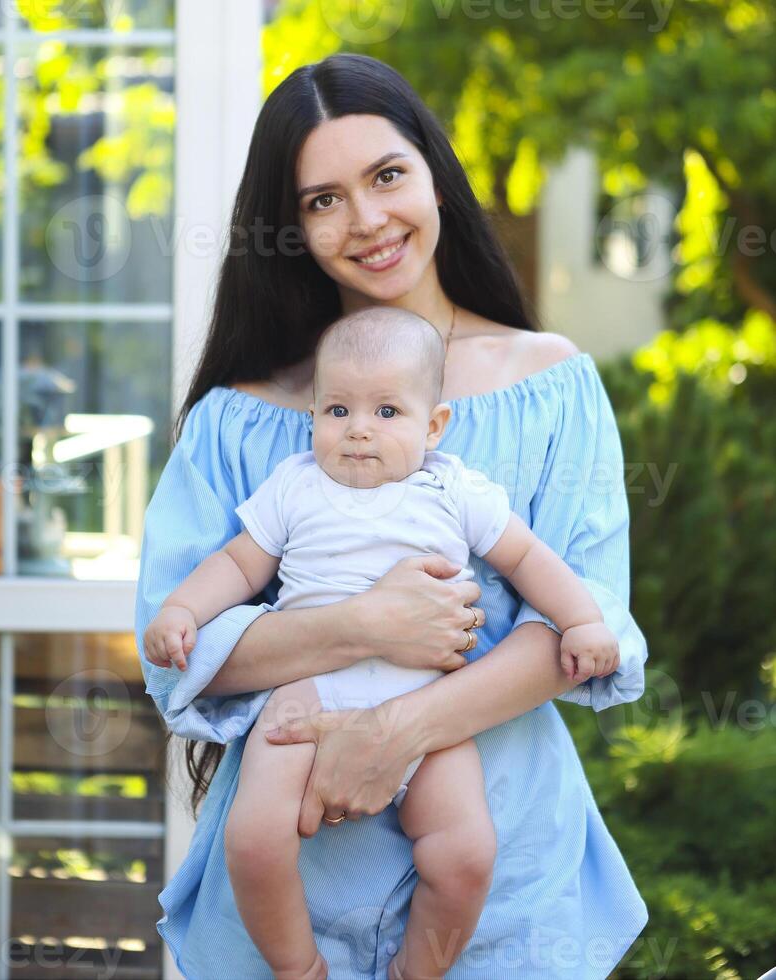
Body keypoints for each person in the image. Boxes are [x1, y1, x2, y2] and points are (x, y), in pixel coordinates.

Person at [135, 52, 649, 980]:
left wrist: (399, 733)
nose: (367, 220)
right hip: (287, 899)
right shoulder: (236, 421)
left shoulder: (552, 385)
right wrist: (362, 625)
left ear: (434, 177)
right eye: (322, 199)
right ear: (287, 227)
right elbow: (174, 643)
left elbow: (580, 620)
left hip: (506, 896)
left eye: (386, 176)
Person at [142, 307, 622, 980]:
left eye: (387, 412)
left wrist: (583, 622)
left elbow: (531, 560)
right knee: (251, 841)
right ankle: (298, 967)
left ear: (433, 426)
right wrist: (182, 609)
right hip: (305, 702)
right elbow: (236, 563)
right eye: (337, 409)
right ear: (312, 415)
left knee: (465, 852)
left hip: (430, 707)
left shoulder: (454, 491)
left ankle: (415, 972)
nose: (358, 428)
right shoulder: (295, 486)